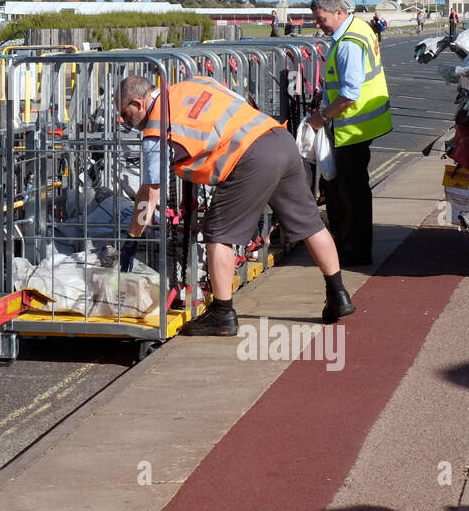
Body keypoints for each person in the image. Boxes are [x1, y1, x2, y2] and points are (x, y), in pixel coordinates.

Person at [116, 74, 355, 336]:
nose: (125, 122)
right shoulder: (194, 84)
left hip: (248, 158)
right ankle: (338, 294)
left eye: (125, 115)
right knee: (310, 223)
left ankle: (222, 313)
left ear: (138, 103)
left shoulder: (156, 127)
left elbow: (151, 191)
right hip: (277, 137)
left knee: (218, 232)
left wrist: (133, 235)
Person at [309, 0, 393, 268]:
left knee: (350, 192)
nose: (318, 25)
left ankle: (354, 251)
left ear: (339, 13)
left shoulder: (347, 43)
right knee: (350, 189)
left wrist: (322, 117)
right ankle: (349, 246)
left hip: (352, 126)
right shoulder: (358, 28)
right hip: (361, 124)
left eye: (322, 20)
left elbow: (349, 94)